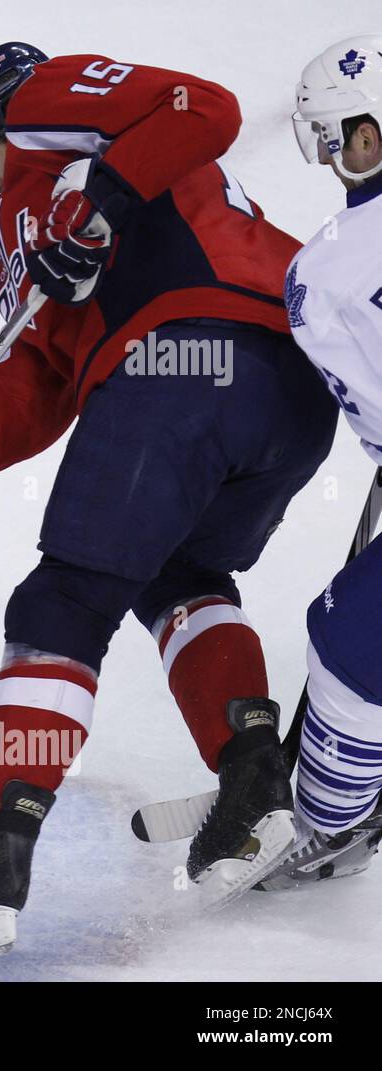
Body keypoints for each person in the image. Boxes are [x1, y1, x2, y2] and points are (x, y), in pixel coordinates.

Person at [0, 44, 339, 955]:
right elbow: (39, 377)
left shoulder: (41, 103)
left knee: (63, 600)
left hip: (183, 361)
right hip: (291, 392)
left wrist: (101, 195)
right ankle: (255, 783)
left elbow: (207, 106)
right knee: (182, 570)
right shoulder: (25, 237)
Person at [255, 36, 382, 890]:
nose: (338, 160)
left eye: (339, 141)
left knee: (347, 646)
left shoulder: (323, 268)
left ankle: (331, 821)